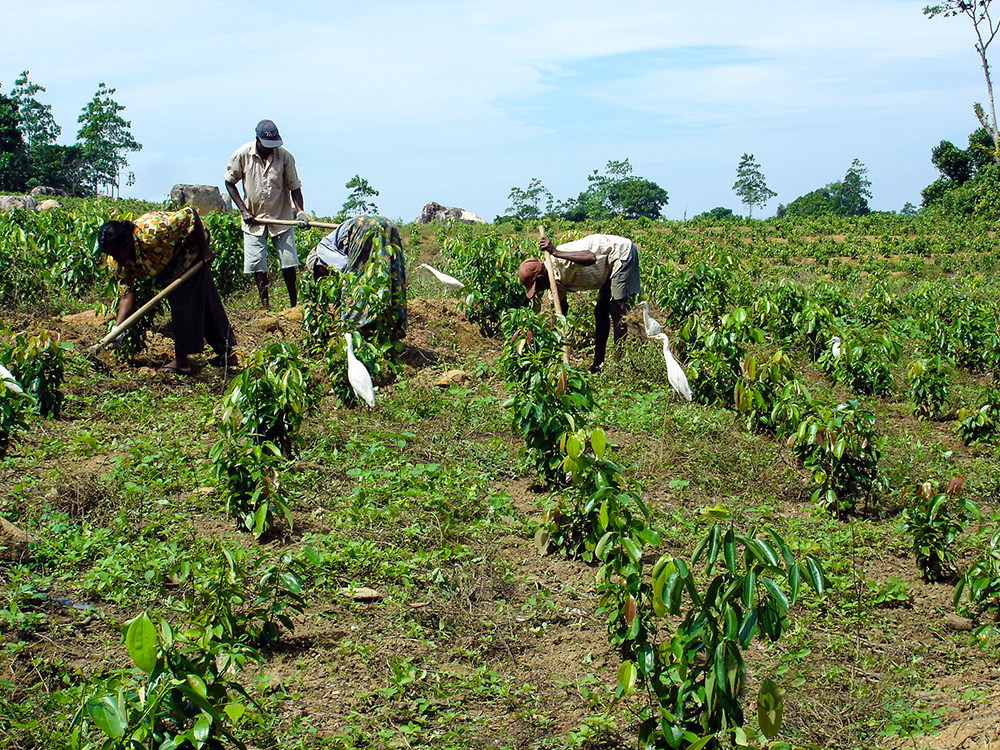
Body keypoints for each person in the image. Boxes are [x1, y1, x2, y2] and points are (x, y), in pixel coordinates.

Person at [98, 206, 237, 375]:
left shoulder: (153, 232)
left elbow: (191, 213)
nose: (116, 259)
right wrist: (117, 329)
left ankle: (182, 361)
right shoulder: (116, 262)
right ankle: (227, 353)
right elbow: (127, 295)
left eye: (118, 255)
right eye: (112, 255)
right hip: (169, 258)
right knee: (206, 299)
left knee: (181, 301)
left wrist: (205, 250)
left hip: (191, 244)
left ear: (128, 243)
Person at [518, 234, 640, 372]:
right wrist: (552, 337)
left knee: (617, 309)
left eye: (537, 287)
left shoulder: (560, 260)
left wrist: (555, 251)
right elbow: (561, 313)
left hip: (619, 254)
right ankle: (598, 364)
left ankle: (619, 366)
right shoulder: (553, 285)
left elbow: (591, 257)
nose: (539, 290)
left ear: (541, 278)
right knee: (600, 311)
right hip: (605, 268)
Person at [224, 119, 307, 309]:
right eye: (267, 145)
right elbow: (229, 182)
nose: (270, 149)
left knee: (288, 261)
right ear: (258, 140)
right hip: (254, 218)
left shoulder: (285, 157)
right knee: (257, 264)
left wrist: (300, 212)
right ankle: (266, 308)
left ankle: (293, 306)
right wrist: (243, 210)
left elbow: (295, 187)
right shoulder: (242, 154)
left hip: (281, 217)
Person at [304, 215, 407, 342]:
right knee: (391, 271)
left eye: (319, 273)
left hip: (363, 226)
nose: (324, 276)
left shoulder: (322, 250)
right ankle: (393, 324)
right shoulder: (332, 244)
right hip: (389, 224)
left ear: (318, 264)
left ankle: (357, 329)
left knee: (356, 284)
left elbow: (345, 268)